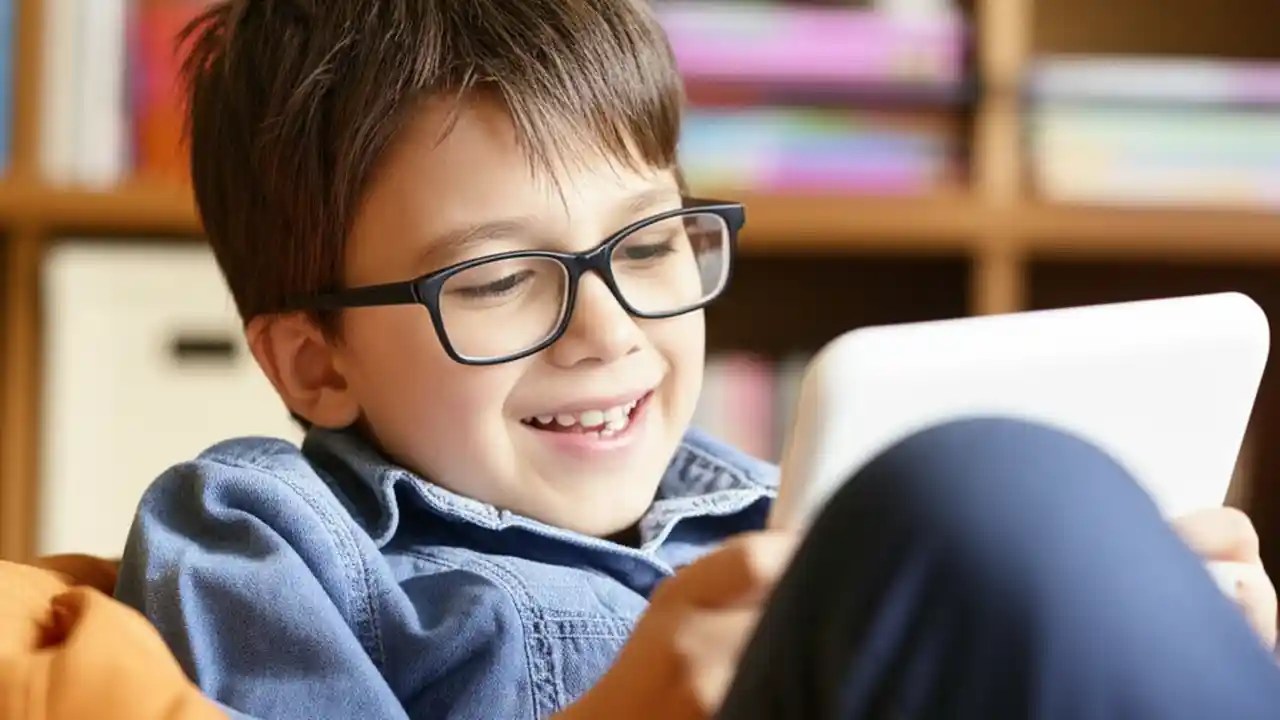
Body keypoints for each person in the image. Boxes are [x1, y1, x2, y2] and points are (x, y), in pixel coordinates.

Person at [113, 1, 1280, 718]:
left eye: (650, 242)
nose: (608, 331)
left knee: (1017, 516)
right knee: (973, 488)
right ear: (315, 365)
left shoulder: (784, 512)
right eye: (497, 278)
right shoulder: (259, 536)